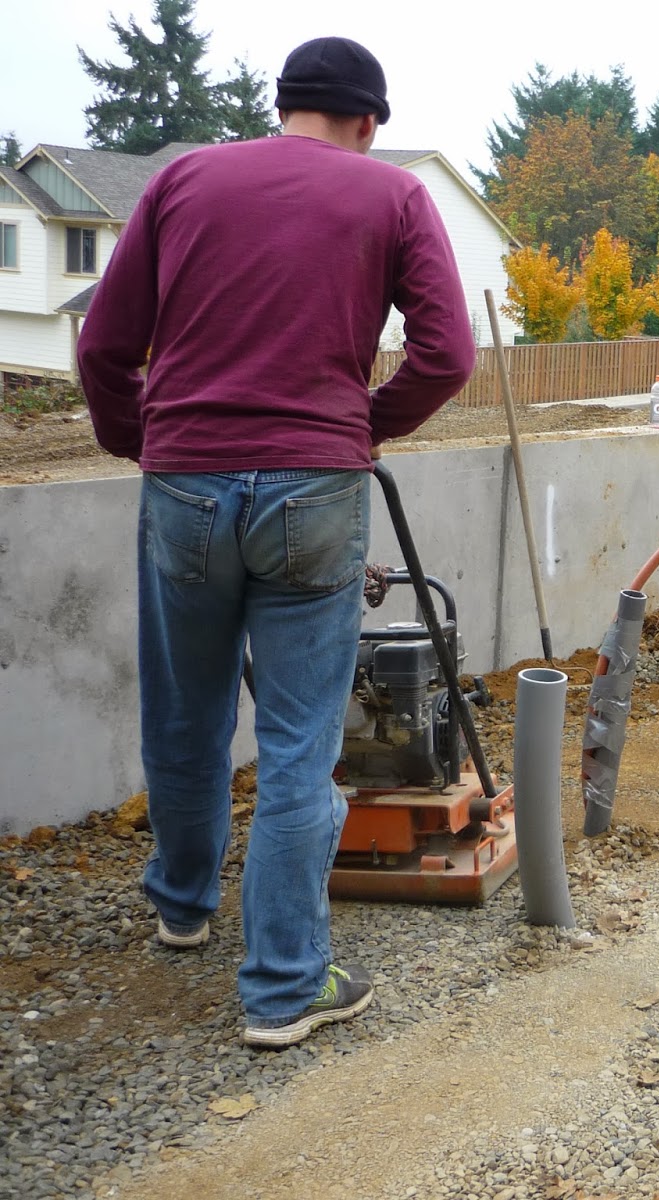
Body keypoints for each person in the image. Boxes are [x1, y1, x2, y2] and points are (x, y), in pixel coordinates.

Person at [78, 36, 476, 1048]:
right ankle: (285, 986)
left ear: (283, 104)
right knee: (299, 744)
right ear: (368, 123)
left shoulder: (183, 180)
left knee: (185, 712)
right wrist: (361, 426)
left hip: (185, 482)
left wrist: (140, 441)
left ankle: (182, 906)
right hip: (315, 489)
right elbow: (447, 355)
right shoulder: (392, 196)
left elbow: (104, 345)